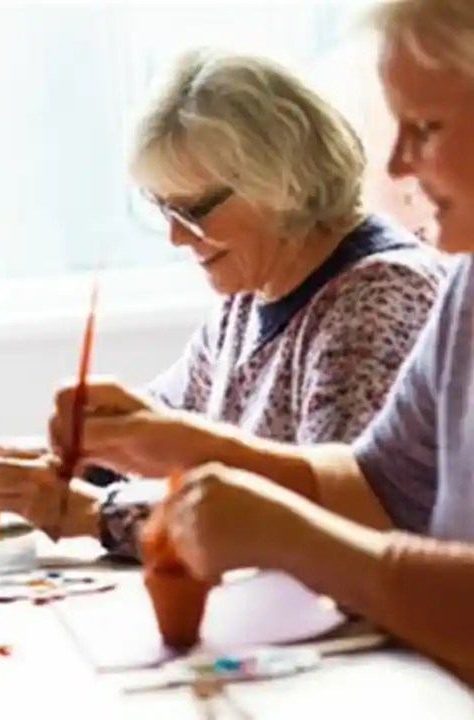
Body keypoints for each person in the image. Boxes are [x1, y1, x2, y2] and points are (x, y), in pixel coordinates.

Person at [0, 50, 446, 559]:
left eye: (191, 211)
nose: (173, 236)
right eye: (161, 209)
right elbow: (148, 445)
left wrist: (93, 515)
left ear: (282, 181)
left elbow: (334, 528)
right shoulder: (249, 294)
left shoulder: (379, 298)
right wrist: (22, 463)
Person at [147, 0, 474, 686]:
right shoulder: (466, 288)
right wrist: (178, 443)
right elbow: (378, 484)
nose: (397, 164)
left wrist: (291, 534)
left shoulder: (385, 287)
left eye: (426, 127)